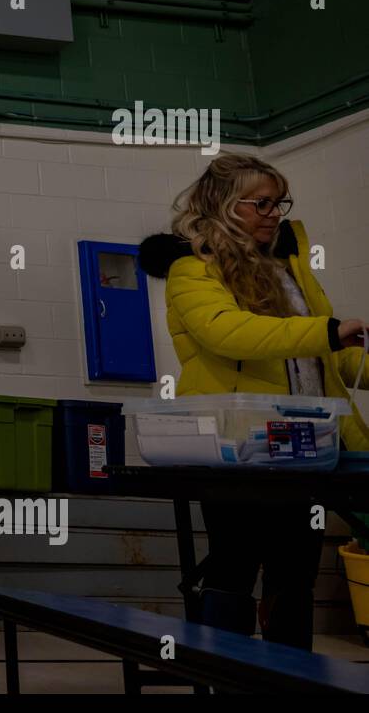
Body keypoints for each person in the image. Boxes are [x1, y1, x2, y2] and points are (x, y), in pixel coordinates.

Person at [138, 154, 369, 650]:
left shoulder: (290, 267)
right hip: (236, 443)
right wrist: (327, 331)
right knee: (234, 562)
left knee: (296, 569)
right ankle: (228, 679)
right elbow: (229, 333)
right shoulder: (190, 267)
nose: (274, 213)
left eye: (279, 202)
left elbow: (331, 359)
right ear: (222, 204)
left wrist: (347, 345)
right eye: (260, 203)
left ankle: (291, 680)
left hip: (305, 445)